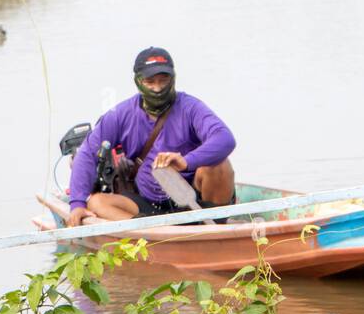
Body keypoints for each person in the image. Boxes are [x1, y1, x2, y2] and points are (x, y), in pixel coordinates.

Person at [66, 48, 237, 227]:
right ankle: (151, 233)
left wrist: (186, 161)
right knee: (96, 202)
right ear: (138, 81)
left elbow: (225, 139)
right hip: (147, 205)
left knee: (220, 165)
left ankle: (214, 228)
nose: (158, 88)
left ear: (173, 78)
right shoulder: (120, 114)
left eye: (164, 81)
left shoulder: (191, 108)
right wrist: (77, 204)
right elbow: (87, 153)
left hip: (195, 199)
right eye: (150, 81)